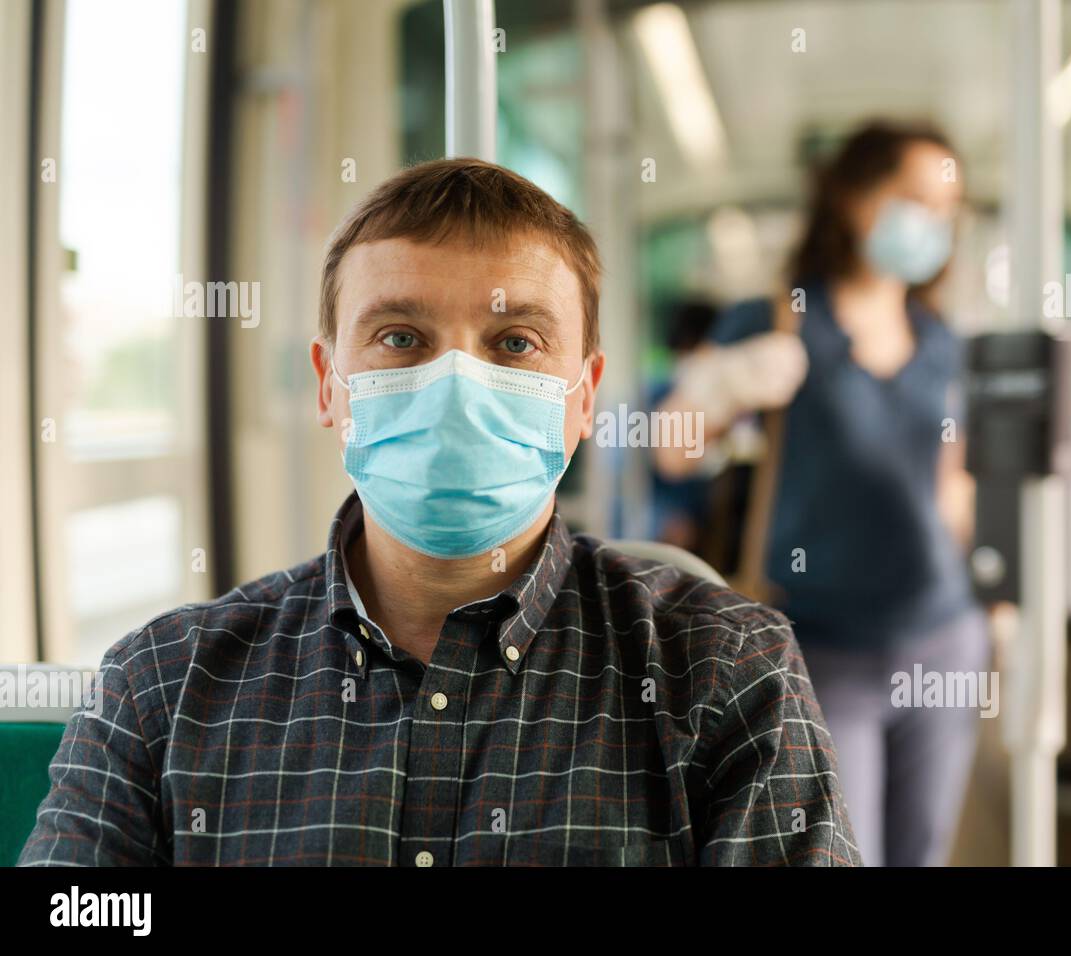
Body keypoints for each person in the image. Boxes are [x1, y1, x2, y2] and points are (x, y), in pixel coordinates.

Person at [20, 159, 858, 867]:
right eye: (401, 338)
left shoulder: (724, 672)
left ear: (584, 398)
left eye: (515, 343)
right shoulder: (164, 687)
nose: (456, 383)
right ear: (327, 383)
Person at [654, 120, 988, 866]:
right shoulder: (777, 318)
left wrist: (1003, 607)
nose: (930, 221)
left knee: (924, 852)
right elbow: (670, 448)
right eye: (912, 198)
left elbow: (953, 490)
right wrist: (728, 382)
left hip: (942, 639)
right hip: (821, 649)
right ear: (852, 197)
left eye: (945, 205)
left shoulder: (941, 342)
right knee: (838, 852)